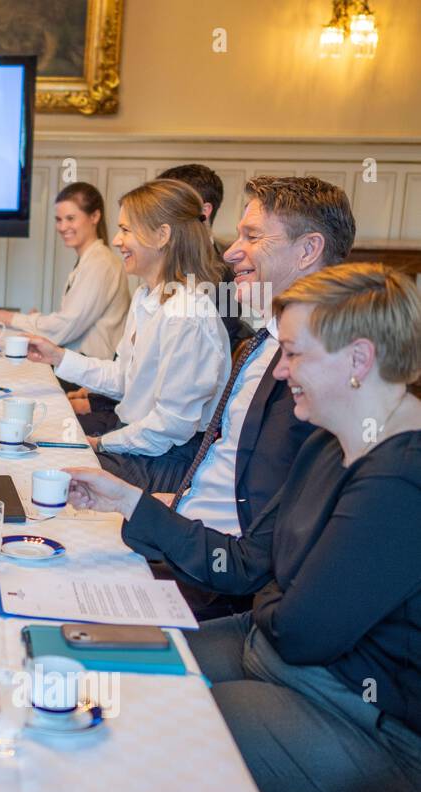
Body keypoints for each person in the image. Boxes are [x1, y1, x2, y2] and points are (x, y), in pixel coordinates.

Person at [66, 262, 421, 792]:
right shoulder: (328, 444)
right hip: (270, 651)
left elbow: (305, 631)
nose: (279, 372)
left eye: (295, 353)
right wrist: (131, 501)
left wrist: (275, 598)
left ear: (359, 360)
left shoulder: (401, 478)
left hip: (359, 721)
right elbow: (252, 565)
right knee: (86, 666)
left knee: (133, 724)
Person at [99, 176, 353, 539]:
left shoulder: (322, 365)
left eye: (252, 237)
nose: (231, 251)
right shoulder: (264, 343)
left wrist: (154, 514)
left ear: (308, 250)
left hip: (211, 552)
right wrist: (155, 505)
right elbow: (220, 475)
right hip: (187, 513)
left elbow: (258, 524)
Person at [25, 178, 229, 455]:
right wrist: (58, 356)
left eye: (125, 230)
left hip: (162, 457)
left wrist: (101, 444)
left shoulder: (186, 315)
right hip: (135, 438)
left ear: (162, 235)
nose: (117, 240)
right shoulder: (147, 297)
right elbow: (123, 378)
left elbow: (170, 426)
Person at [0, 182, 129, 360]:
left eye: (70, 218)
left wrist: (9, 318)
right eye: (58, 219)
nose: (62, 227)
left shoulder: (101, 264)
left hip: (89, 373)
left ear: (94, 216)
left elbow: (65, 327)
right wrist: (34, 321)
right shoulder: (90, 260)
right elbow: (70, 321)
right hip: (80, 364)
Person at [157, 163, 250, 352]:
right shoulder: (162, 258)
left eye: (170, 206)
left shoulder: (226, 270)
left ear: (204, 211)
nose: (159, 215)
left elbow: (217, 346)